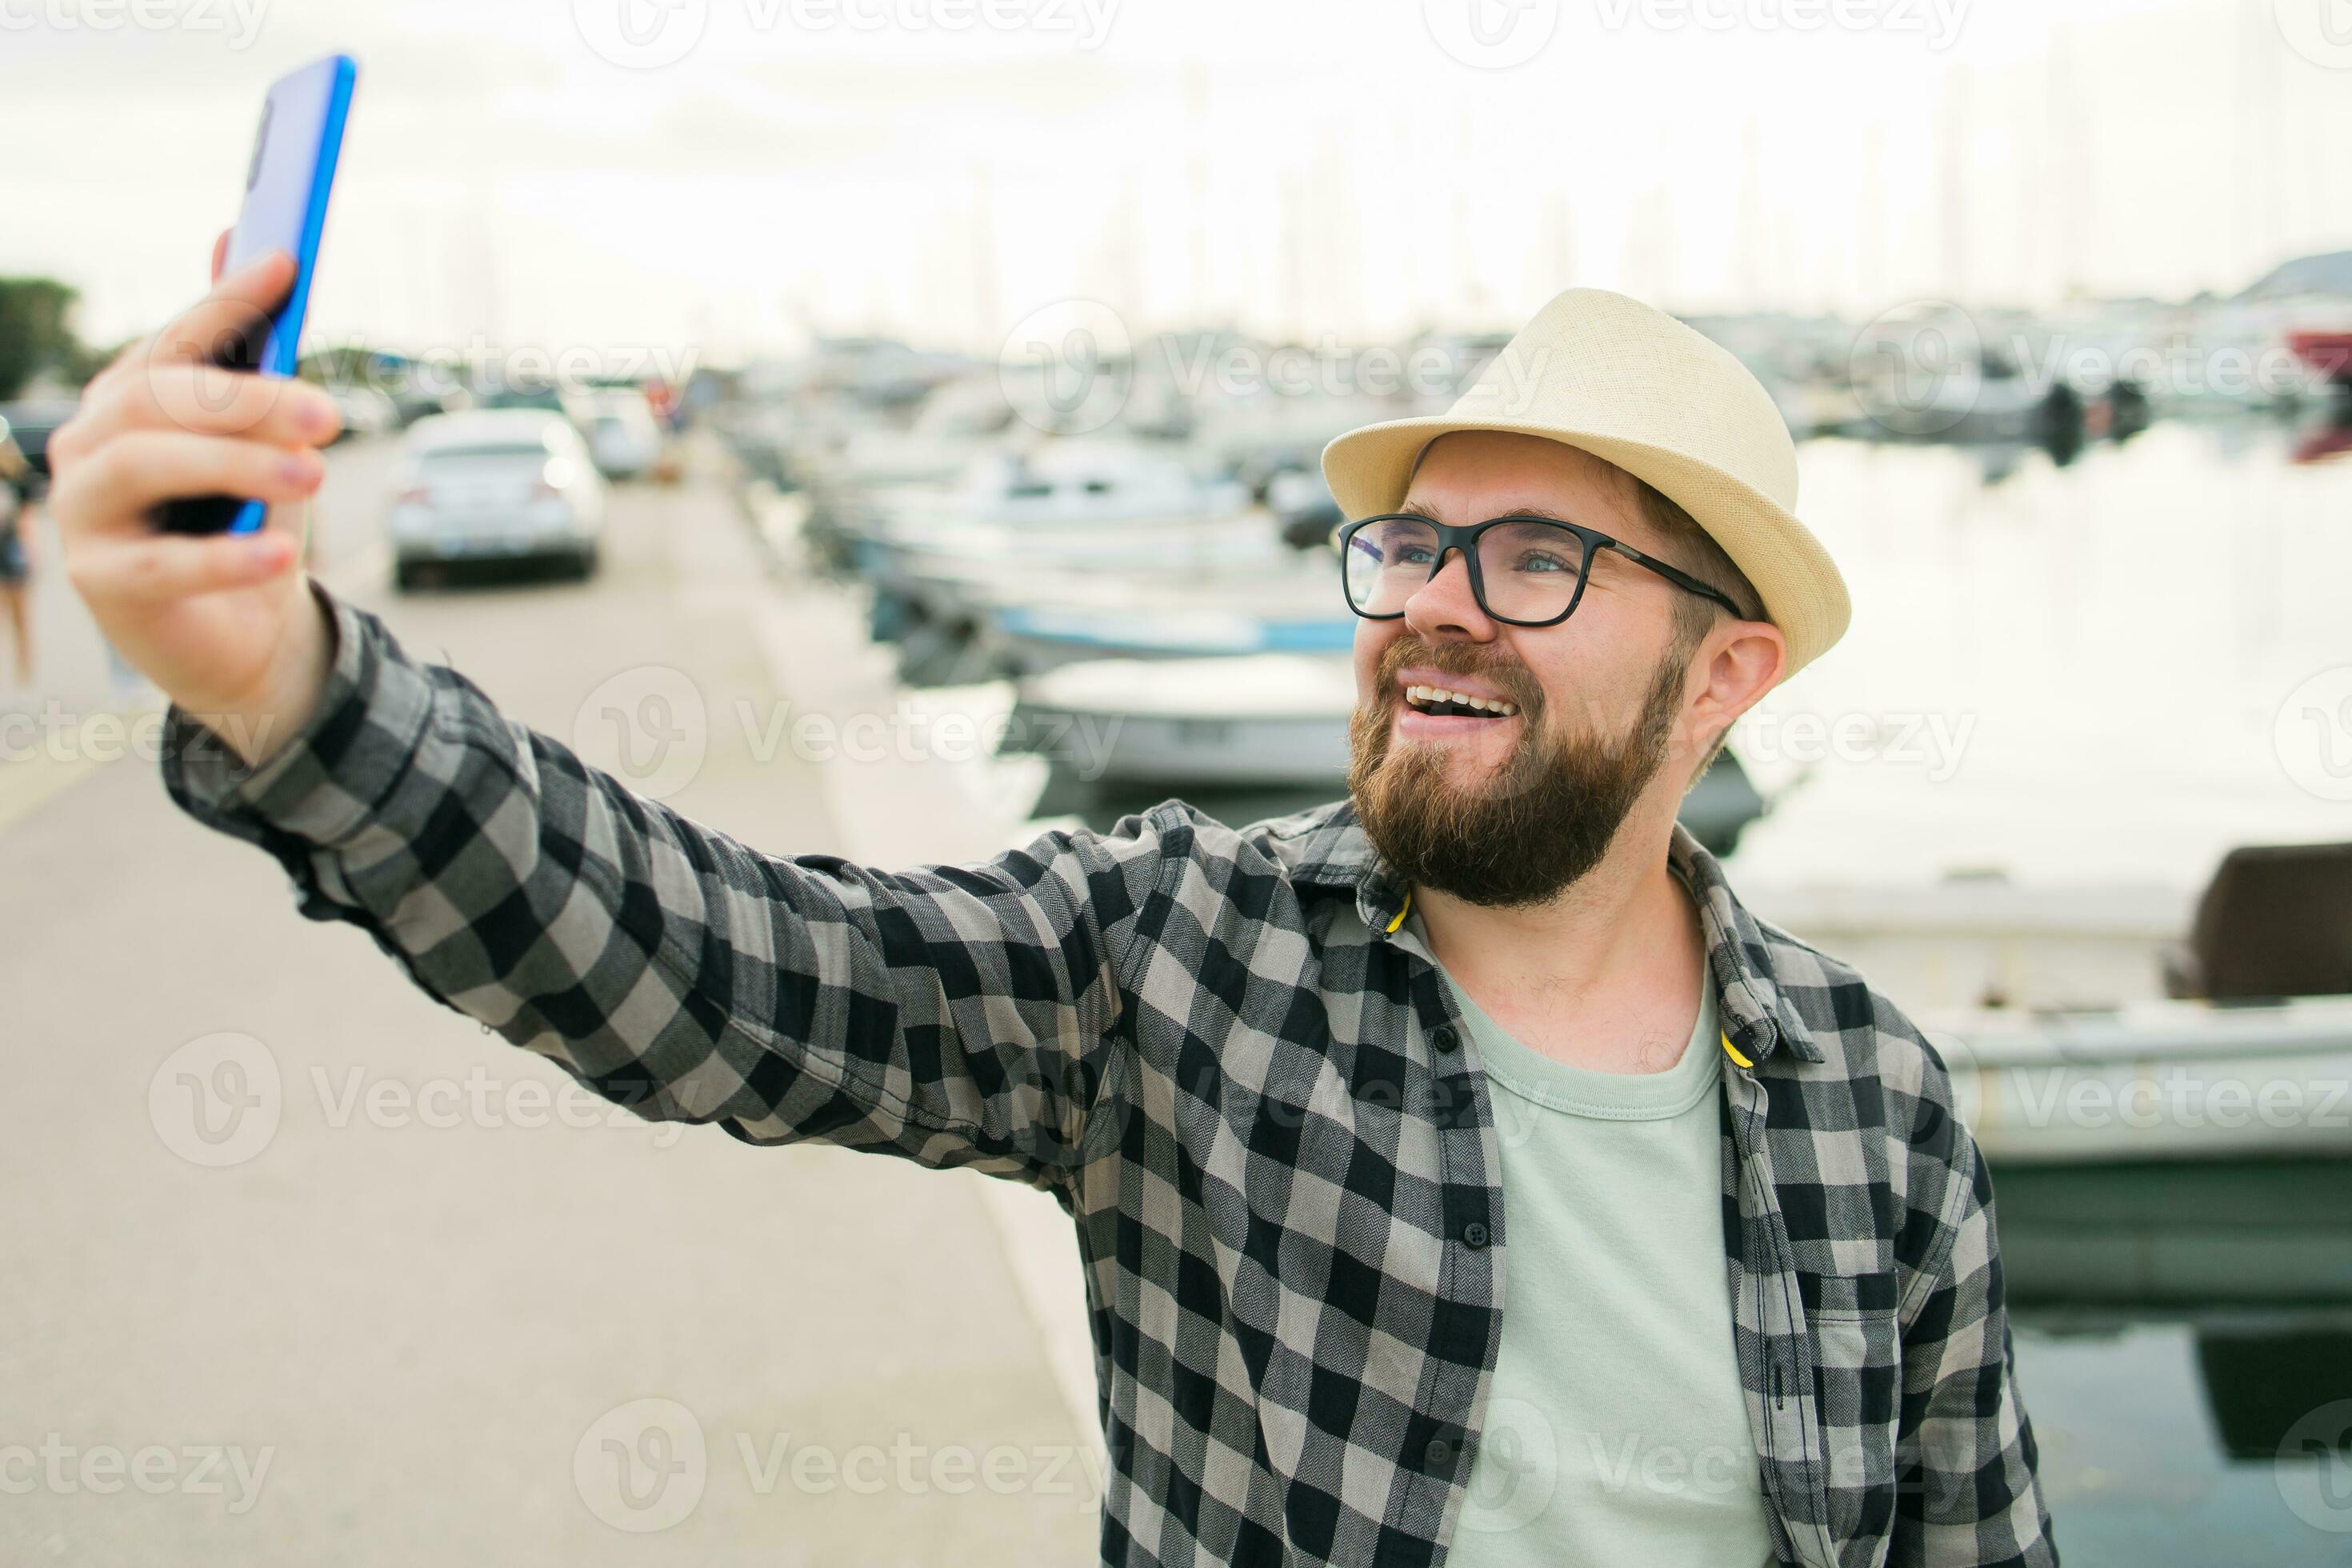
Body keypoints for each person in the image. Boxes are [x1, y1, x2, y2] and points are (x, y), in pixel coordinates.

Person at [48, 246, 2055, 1568]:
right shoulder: (1181, 960)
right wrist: (291, 687)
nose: (1436, 600)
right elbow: (717, 969)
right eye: (1418, 540)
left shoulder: (1868, 1106)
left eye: (1537, 561)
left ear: (1726, 677)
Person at [0, 418, 34, 688]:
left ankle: (24, 679)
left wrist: (30, 548)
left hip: (10, 548)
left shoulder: (15, 475)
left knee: (20, 617)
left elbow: (26, 516)